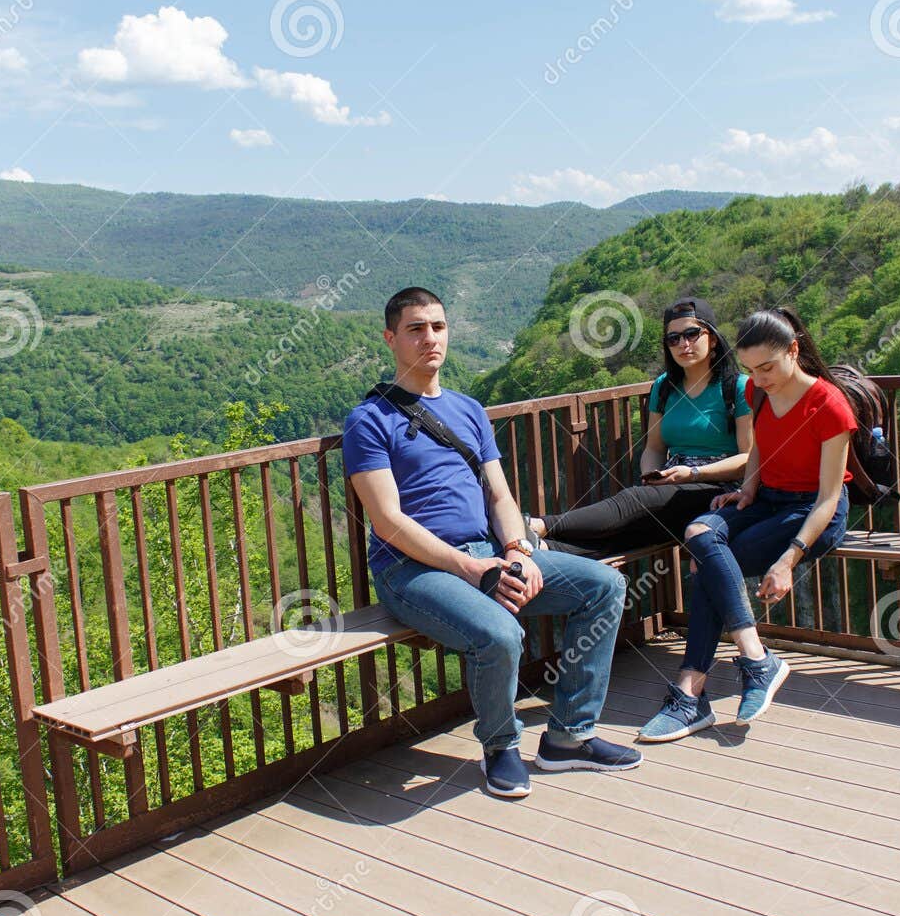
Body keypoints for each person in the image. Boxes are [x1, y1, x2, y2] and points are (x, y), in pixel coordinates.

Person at [343, 287, 642, 799]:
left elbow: (500, 494)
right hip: (411, 570)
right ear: (391, 338)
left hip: (488, 553)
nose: (429, 338)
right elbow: (388, 522)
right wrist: (470, 568)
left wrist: (516, 552)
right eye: (415, 328)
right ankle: (500, 745)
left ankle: (569, 737)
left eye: (437, 326)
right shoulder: (369, 421)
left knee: (605, 586)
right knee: (501, 634)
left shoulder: (468, 410)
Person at [638, 306, 854, 741]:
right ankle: (755, 658)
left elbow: (828, 497)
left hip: (811, 511)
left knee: (708, 567)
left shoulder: (828, 405)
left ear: (794, 350)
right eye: (753, 369)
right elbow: (758, 449)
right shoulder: (756, 391)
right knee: (700, 532)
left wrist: (788, 560)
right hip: (766, 499)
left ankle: (689, 693)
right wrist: (748, 490)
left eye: (769, 367)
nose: (761, 379)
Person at [525, 298, 753, 558]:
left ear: (712, 338)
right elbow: (654, 447)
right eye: (674, 338)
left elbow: (748, 459)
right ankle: (542, 548)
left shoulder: (737, 387)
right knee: (633, 532)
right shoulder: (664, 387)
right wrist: (652, 476)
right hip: (673, 484)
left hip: (720, 491)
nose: (683, 344)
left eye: (692, 334)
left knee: (635, 501)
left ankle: (539, 525)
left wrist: (692, 473)